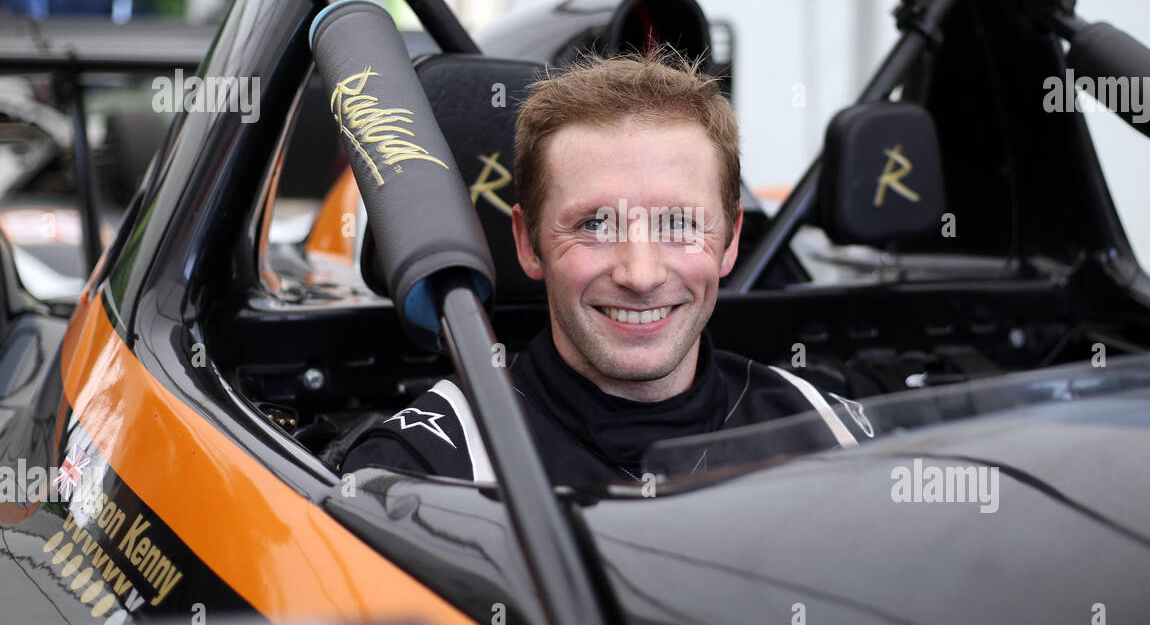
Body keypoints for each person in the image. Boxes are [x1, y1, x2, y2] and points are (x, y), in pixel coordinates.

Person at [341, 50, 870, 486]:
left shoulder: (832, 433)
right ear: (528, 244)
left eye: (678, 222)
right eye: (595, 224)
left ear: (729, 239)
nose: (640, 275)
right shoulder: (426, 468)